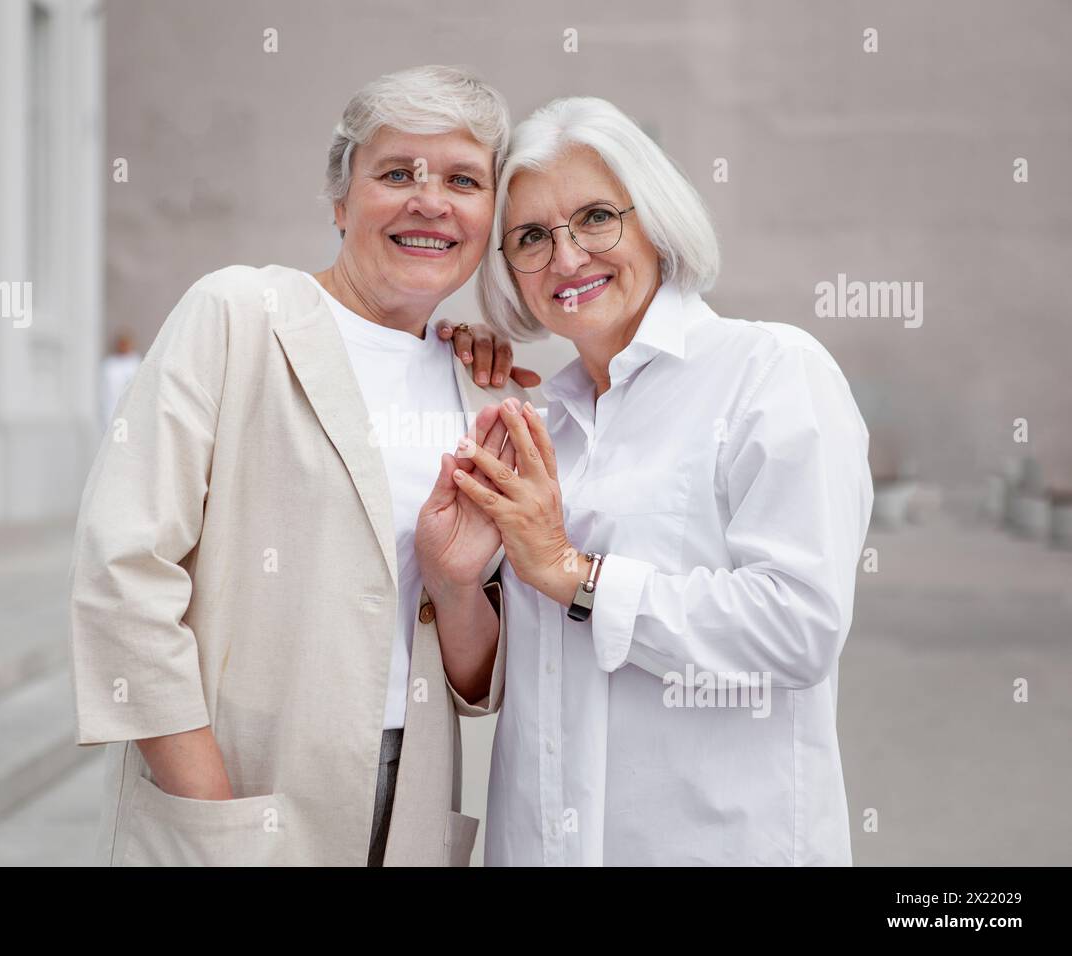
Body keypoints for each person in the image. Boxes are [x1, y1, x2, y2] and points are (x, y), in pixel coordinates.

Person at [67, 65, 533, 866]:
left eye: (463, 178)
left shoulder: (479, 389)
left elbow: (476, 668)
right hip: (242, 789)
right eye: (396, 173)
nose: (430, 200)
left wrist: (457, 587)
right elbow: (123, 575)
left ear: (489, 217)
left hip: (415, 795)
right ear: (341, 198)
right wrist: (211, 816)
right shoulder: (238, 315)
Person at [432, 96, 874, 865]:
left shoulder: (770, 371)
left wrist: (576, 575)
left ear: (655, 223)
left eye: (597, 218)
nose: (567, 259)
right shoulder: (541, 427)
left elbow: (799, 627)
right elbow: (498, 676)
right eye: (531, 237)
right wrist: (457, 581)